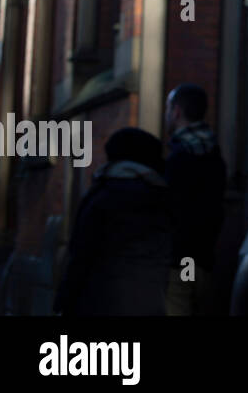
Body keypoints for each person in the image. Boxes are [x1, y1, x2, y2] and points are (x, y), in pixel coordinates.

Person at [53, 127, 174, 315]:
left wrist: (64, 302)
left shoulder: (102, 196)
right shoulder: (164, 199)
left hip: (100, 303)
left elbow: (81, 256)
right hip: (150, 304)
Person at [162, 83, 226, 315]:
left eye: (168, 108)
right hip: (205, 259)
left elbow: (170, 211)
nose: (166, 114)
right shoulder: (215, 155)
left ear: (177, 112)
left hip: (180, 261)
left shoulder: (178, 159)